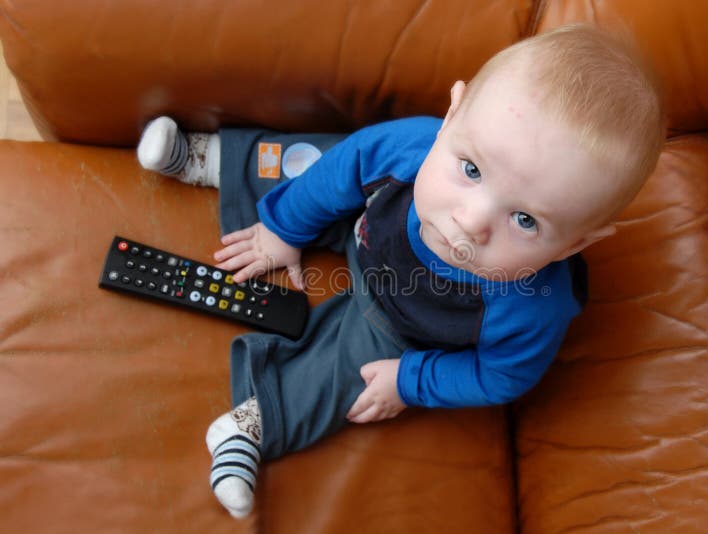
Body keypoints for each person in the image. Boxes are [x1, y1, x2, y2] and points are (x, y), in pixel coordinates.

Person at [136, 24, 664, 519]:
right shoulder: (412, 150)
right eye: (472, 170)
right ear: (452, 117)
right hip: (367, 222)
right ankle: (206, 160)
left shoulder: (533, 306)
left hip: (397, 326)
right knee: (314, 164)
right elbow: (342, 173)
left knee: (352, 377)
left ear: (576, 243)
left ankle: (250, 427)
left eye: (525, 220)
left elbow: (501, 375)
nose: (472, 221)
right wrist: (284, 229)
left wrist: (411, 381)